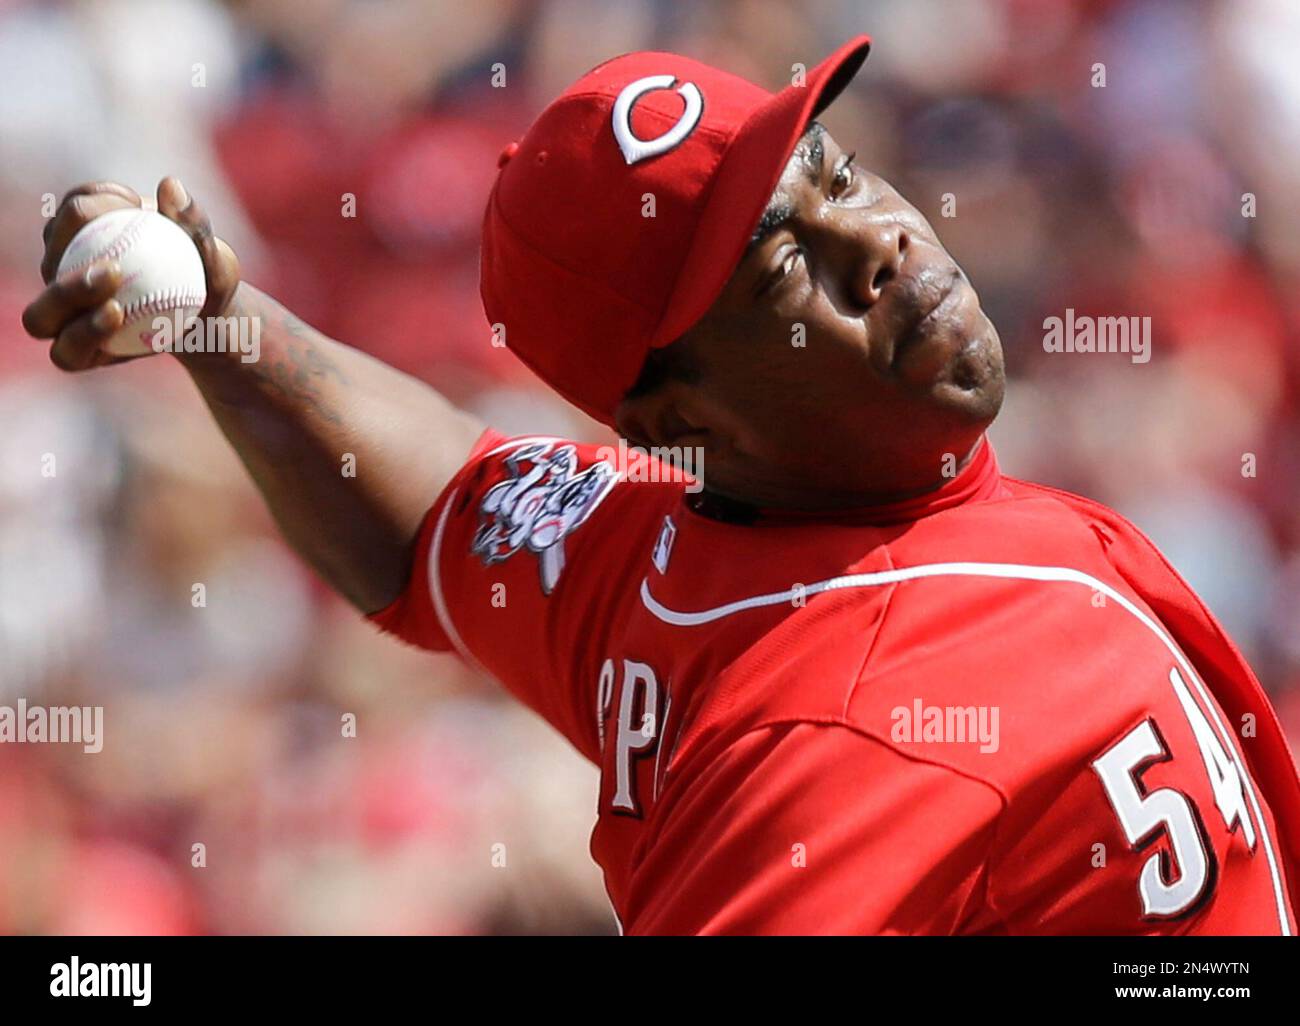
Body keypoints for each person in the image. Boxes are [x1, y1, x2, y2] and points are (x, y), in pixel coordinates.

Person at [22, 34, 1300, 934]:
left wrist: (231, 334)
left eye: (838, 178)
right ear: (682, 416)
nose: (881, 246)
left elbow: (430, 506)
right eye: (780, 271)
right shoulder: (849, 729)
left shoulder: (654, 560)